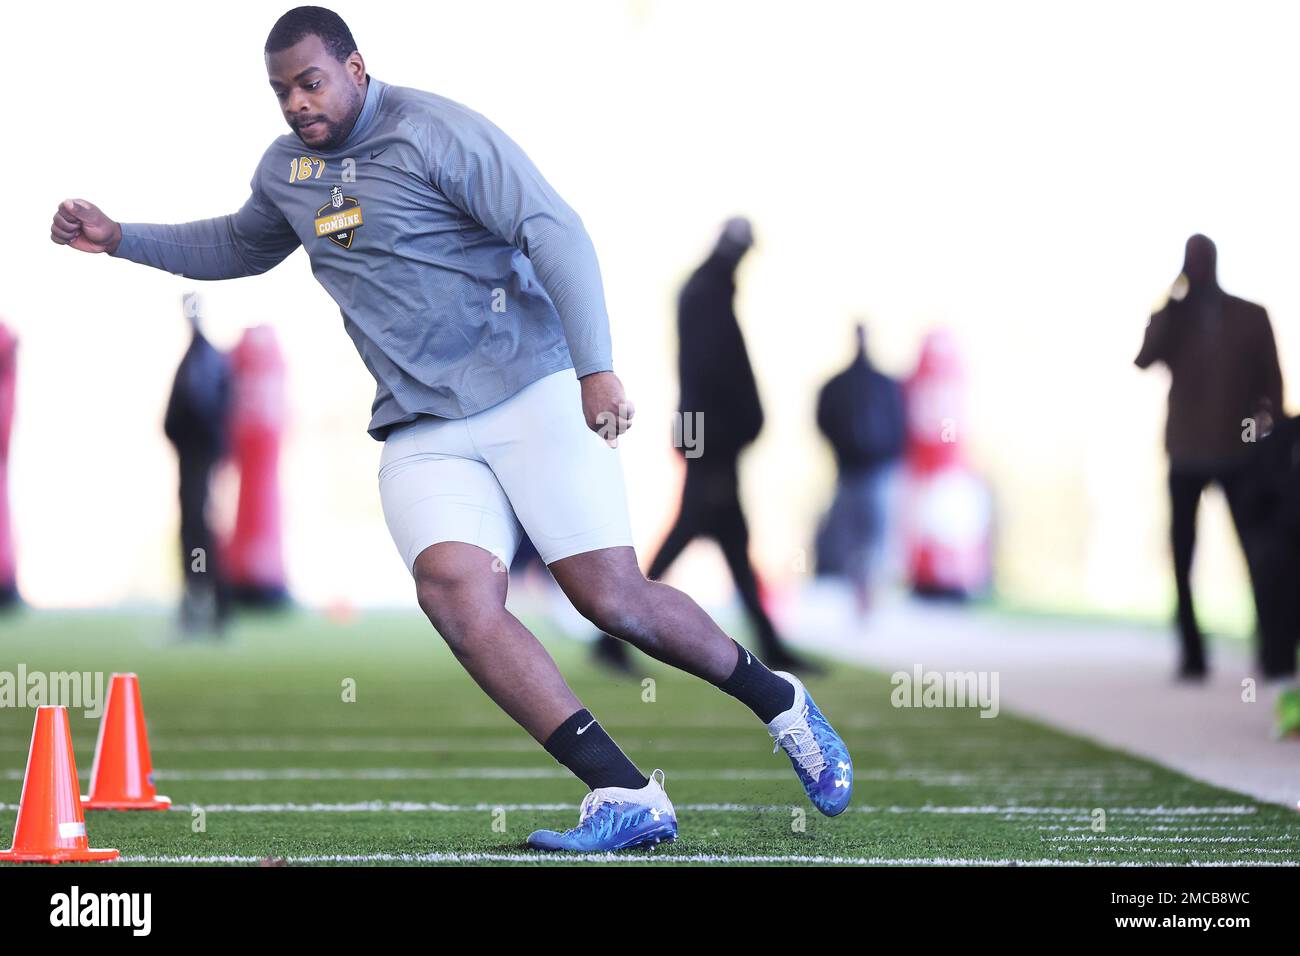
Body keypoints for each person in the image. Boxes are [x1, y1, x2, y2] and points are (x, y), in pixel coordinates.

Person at [49, 6, 853, 851]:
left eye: (310, 81)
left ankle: (782, 704)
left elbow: (554, 229)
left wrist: (596, 367)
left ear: (357, 67)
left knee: (612, 598)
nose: (295, 103)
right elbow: (241, 244)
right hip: (422, 421)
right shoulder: (287, 170)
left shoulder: (434, 131)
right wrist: (118, 238)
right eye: (280, 90)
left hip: (529, 385)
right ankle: (623, 793)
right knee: (456, 598)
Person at [593, 218, 816, 676]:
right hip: (709, 438)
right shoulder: (707, 294)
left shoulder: (707, 290)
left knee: (731, 541)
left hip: (707, 435)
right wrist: (716, 435)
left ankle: (768, 641)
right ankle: (613, 630)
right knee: (692, 532)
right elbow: (710, 374)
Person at [1135, 234, 1284, 679]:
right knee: (1182, 555)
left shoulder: (1249, 317)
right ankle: (1191, 652)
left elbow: (1272, 389)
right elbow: (1144, 358)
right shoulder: (1173, 318)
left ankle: (1270, 646)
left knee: (1257, 552)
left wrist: (1265, 442)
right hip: (1186, 452)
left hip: (1239, 455)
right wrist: (1173, 296)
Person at [814, 323, 906, 613]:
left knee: (867, 540)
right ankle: (865, 596)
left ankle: (868, 596)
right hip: (860, 472)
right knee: (863, 539)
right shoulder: (879, 384)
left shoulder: (867, 384)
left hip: (868, 471)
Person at [164, 293, 232, 636]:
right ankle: (205, 605)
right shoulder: (200, 356)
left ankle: (204, 605)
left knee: (197, 529)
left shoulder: (203, 357)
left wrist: (182, 433)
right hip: (195, 456)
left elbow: (202, 408)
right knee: (196, 528)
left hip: (197, 457)